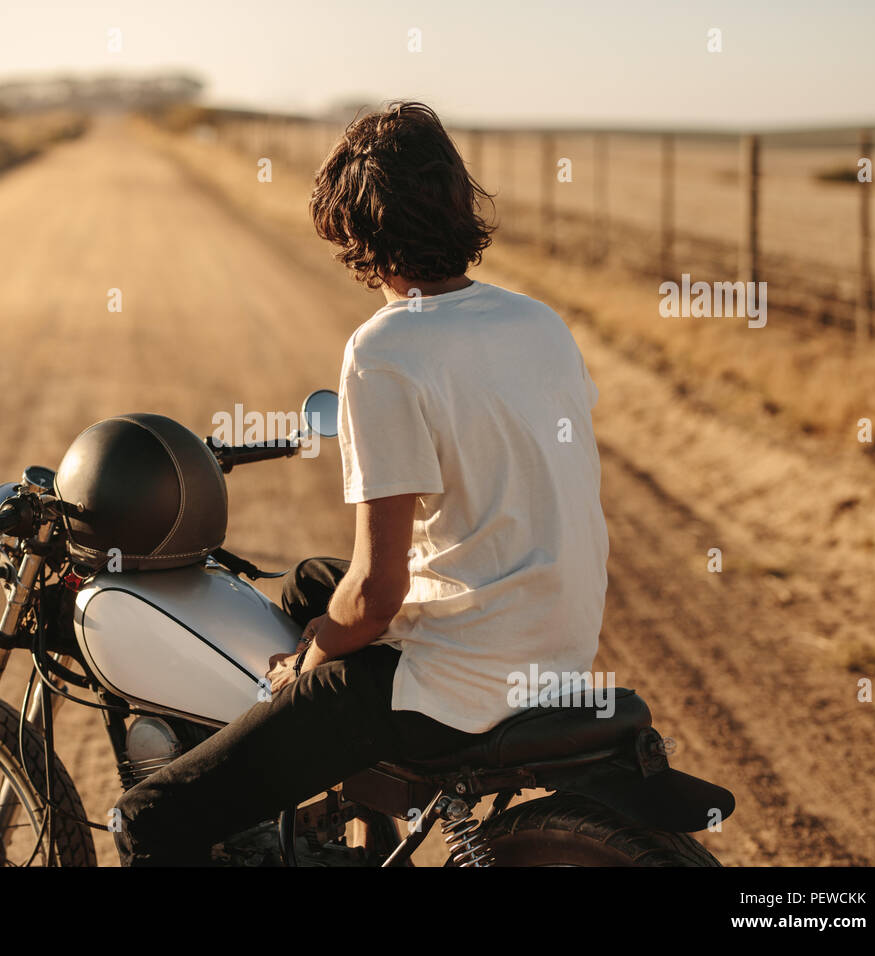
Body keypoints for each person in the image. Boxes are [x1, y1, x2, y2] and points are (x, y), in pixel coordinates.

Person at [113, 101, 608, 866]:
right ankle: (352, 821)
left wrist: (304, 667)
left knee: (147, 818)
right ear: (454, 202)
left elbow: (377, 594)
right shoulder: (539, 322)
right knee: (313, 583)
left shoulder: (384, 349)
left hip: (461, 678)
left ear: (355, 231)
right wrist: (326, 623)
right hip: (555, 641)